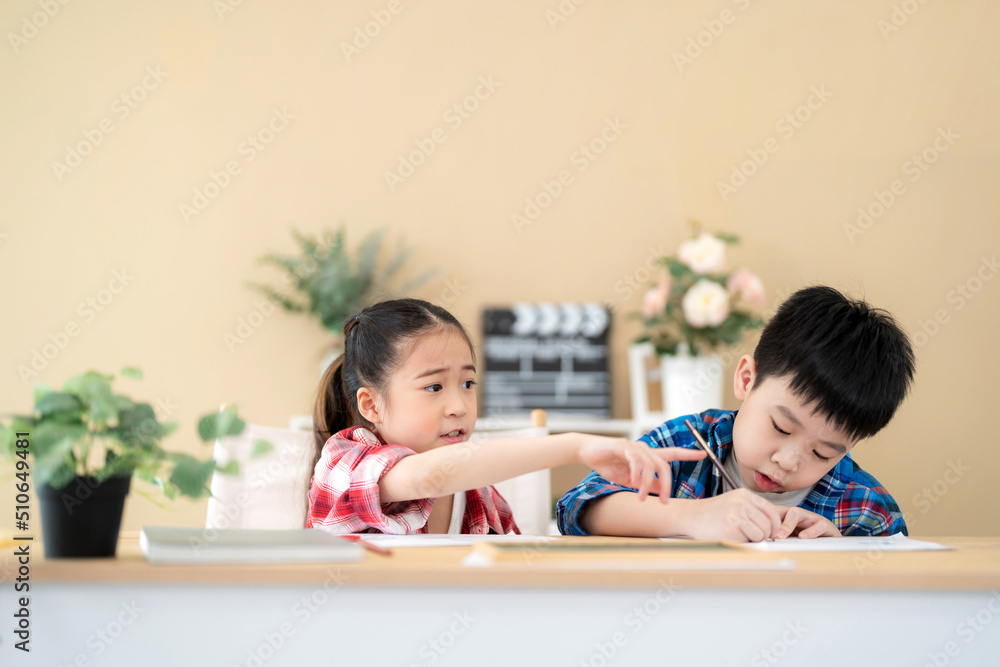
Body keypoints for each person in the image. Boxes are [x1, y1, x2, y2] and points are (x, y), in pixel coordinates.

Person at [306, 298, 705, 535]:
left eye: (467, 383)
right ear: (371, 405)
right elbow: (431, 474)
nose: (459, 406)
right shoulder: (343, 464)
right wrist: (575, 446)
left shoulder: (479, 495)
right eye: (433, 387)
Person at [557, 285, 916, 542]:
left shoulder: (864, 504)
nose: (788, 461)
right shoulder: (687, 444)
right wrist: (693, 516)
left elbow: (896, 593)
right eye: (780, 427)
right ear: (747, 379)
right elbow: (579, 507)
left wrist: (839, 550)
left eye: (821, 453)